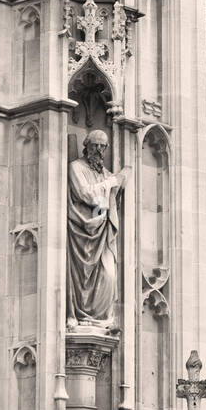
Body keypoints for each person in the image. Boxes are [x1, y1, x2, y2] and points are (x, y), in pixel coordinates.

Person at [66, 129, 130, 325]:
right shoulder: (75, 167)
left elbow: (115, 188)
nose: (100, 150)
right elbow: (85, 194)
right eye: (96, 145)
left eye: (103, 146)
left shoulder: (104, 173)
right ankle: (79, 315)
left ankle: (101, 319)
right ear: (87, 146)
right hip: (81, 232)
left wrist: (121, 178)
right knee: (82, 279)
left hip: (103, 232)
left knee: (109, 276)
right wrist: (109, 183)